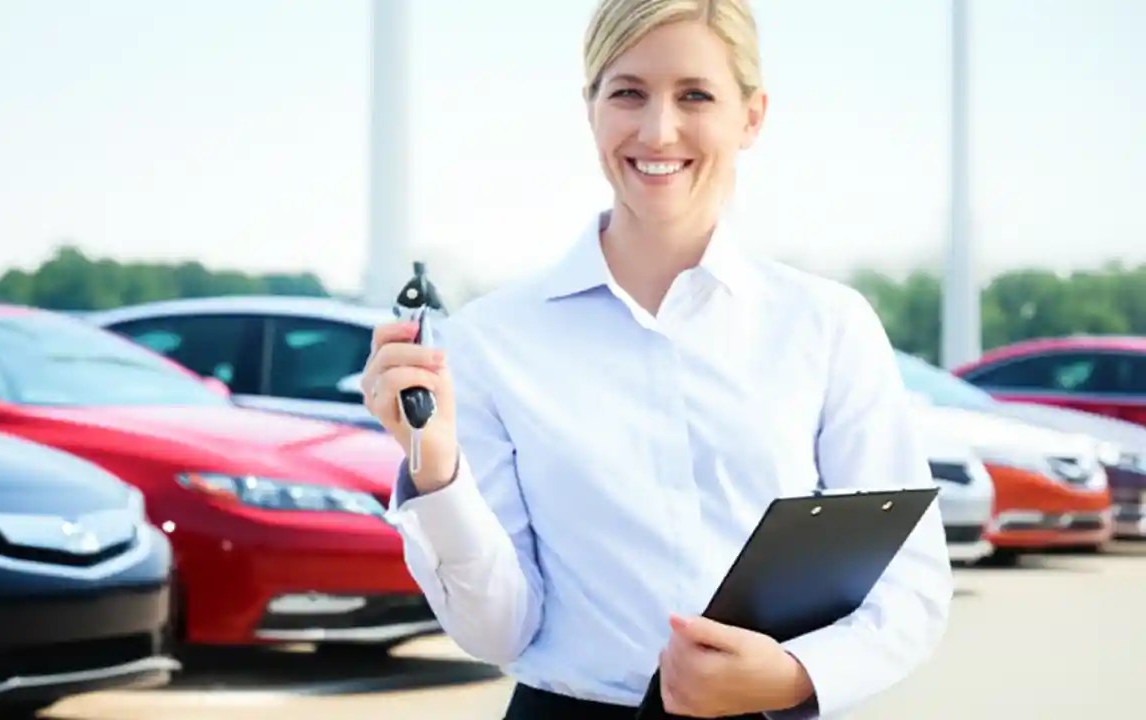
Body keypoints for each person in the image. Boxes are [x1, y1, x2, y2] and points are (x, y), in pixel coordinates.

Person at [361, 0, 954, 717]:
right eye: (628, 93)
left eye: (695, 96)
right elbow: (496, 630)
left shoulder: (827, 327)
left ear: (752, 117)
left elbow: (912, 588)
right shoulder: (489, 342)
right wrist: (435, 466)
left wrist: (796, 672)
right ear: (591, 110)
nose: (657, 130)